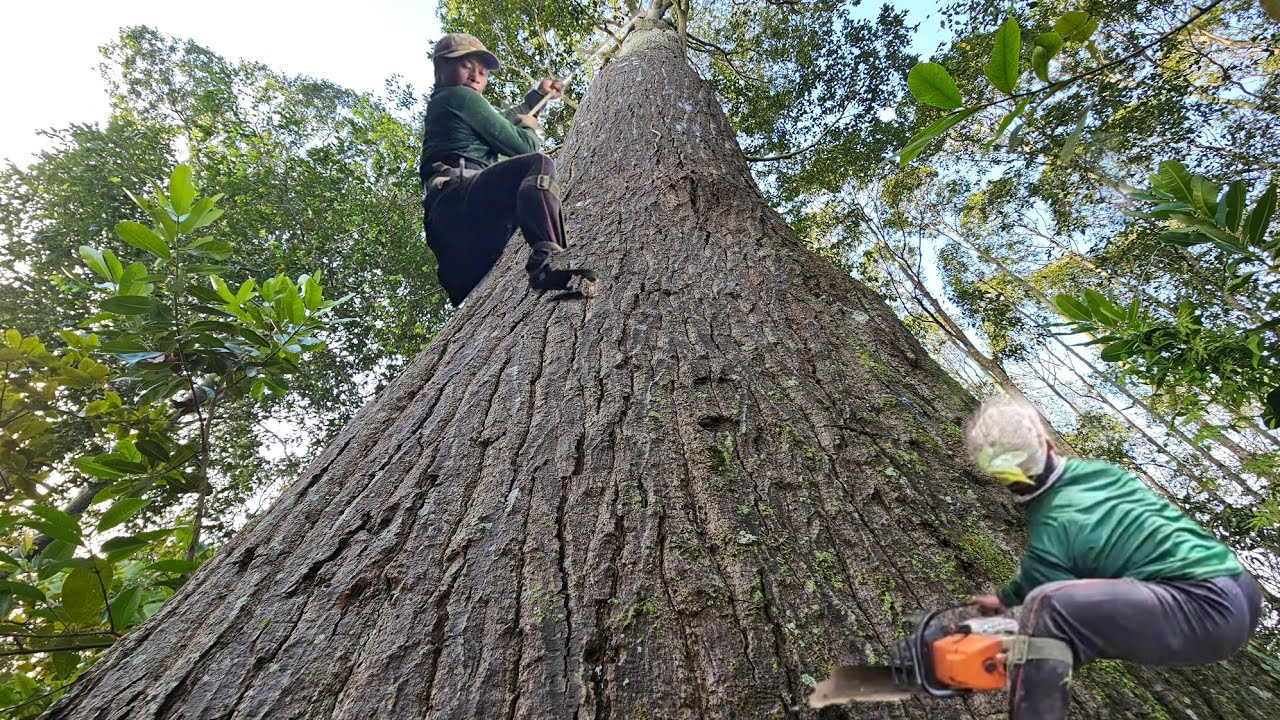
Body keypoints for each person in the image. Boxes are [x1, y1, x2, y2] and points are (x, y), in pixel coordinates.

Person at [963, 396, 1262, 719]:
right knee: (1062, 615)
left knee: (1047, 607)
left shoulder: (1050, 520)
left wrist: (1007, 600)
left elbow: (1044, 574)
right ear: (1046, 444)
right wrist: (1007, 601)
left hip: (1204, 612)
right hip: (1240, 586)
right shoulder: (1098, 472)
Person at [419, 33, 595, 307]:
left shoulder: (450, 103)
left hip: (452, 225)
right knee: (537, 165)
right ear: (440, 67)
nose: (476, 77)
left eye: (483, 72)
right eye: (467, 66)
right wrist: (529, 129)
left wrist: (537, 97)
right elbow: (524, 147)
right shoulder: (458, 96)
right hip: (458, 202)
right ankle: (548, 261)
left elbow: (497, 121)